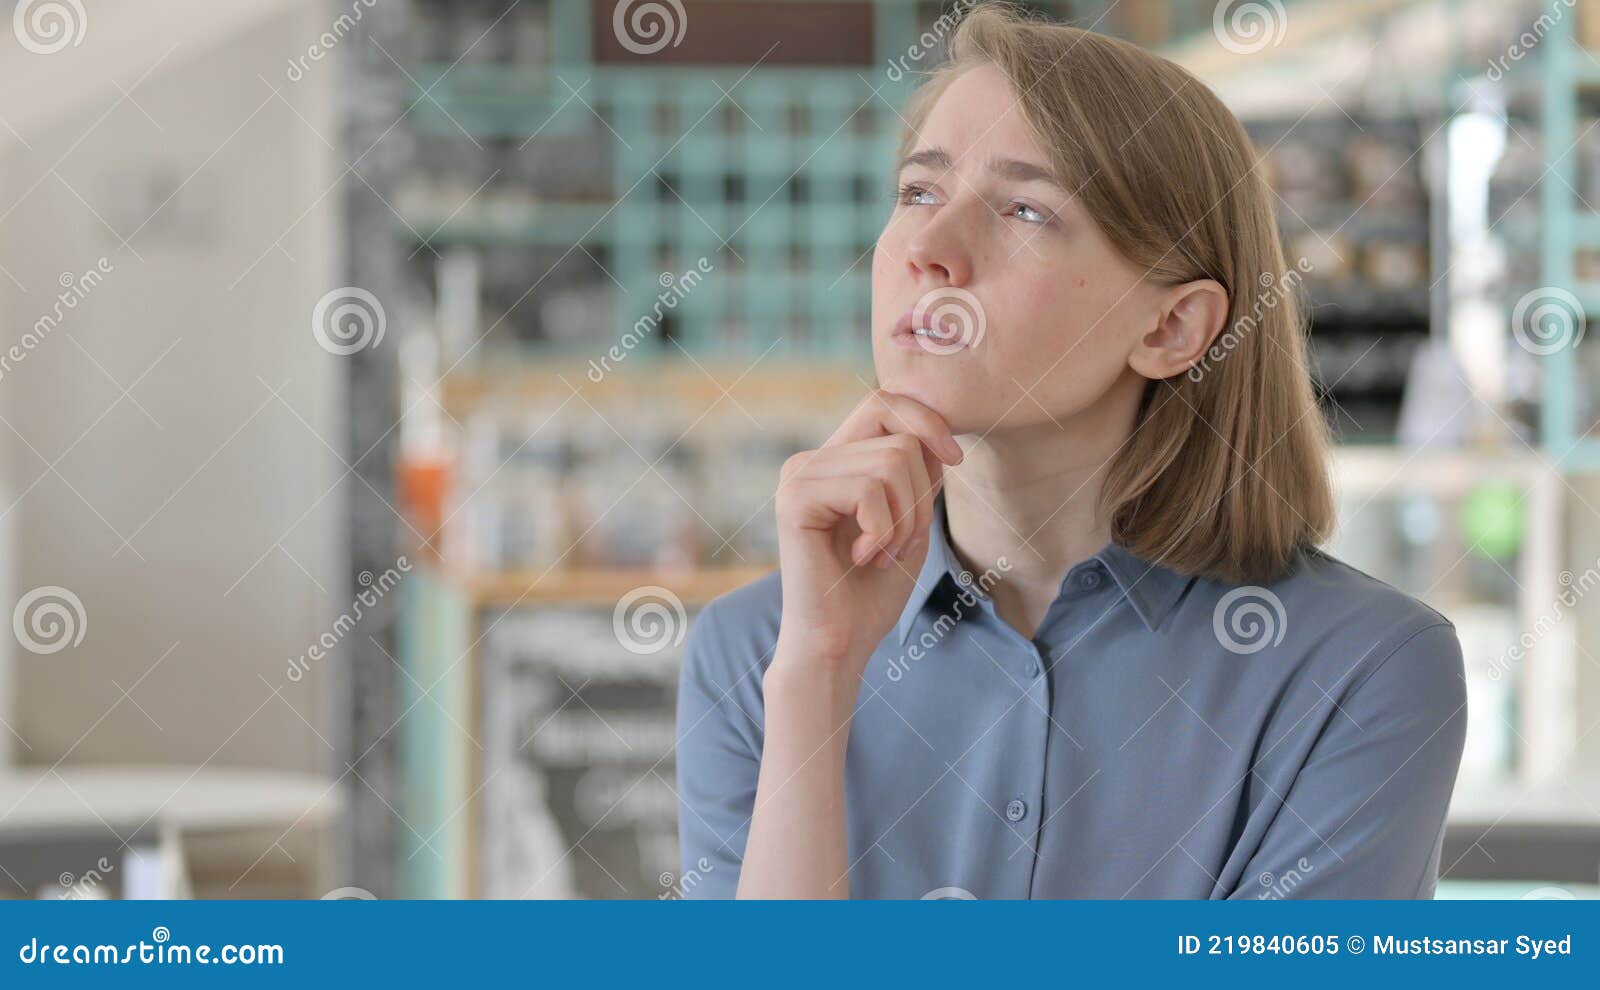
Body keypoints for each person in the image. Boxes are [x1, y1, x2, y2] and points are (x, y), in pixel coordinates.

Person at [674, 3, 1466, 899]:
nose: (928, 249)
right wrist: (815, 677)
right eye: (918, 192)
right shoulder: (758, 652)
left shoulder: (1360, 670)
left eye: (1024, 209)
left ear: (1171, 327)